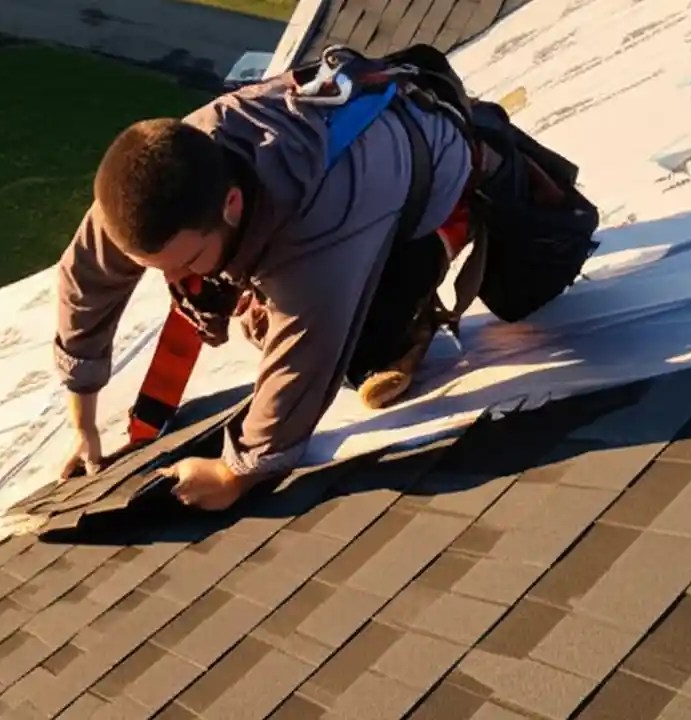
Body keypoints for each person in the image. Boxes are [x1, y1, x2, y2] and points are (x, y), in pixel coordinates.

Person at [51, 59, 476, 511]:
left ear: (232, 204)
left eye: (186, 261)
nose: (173, 280)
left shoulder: (321, 224)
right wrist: (83, 424)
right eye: (158, 268)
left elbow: (302, 363)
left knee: (357, 347)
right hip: (330, 172)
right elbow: (85, 281)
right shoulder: (156, 180)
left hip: (429, 177)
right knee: (245, 305)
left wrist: (233, 474)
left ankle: (433, 267)